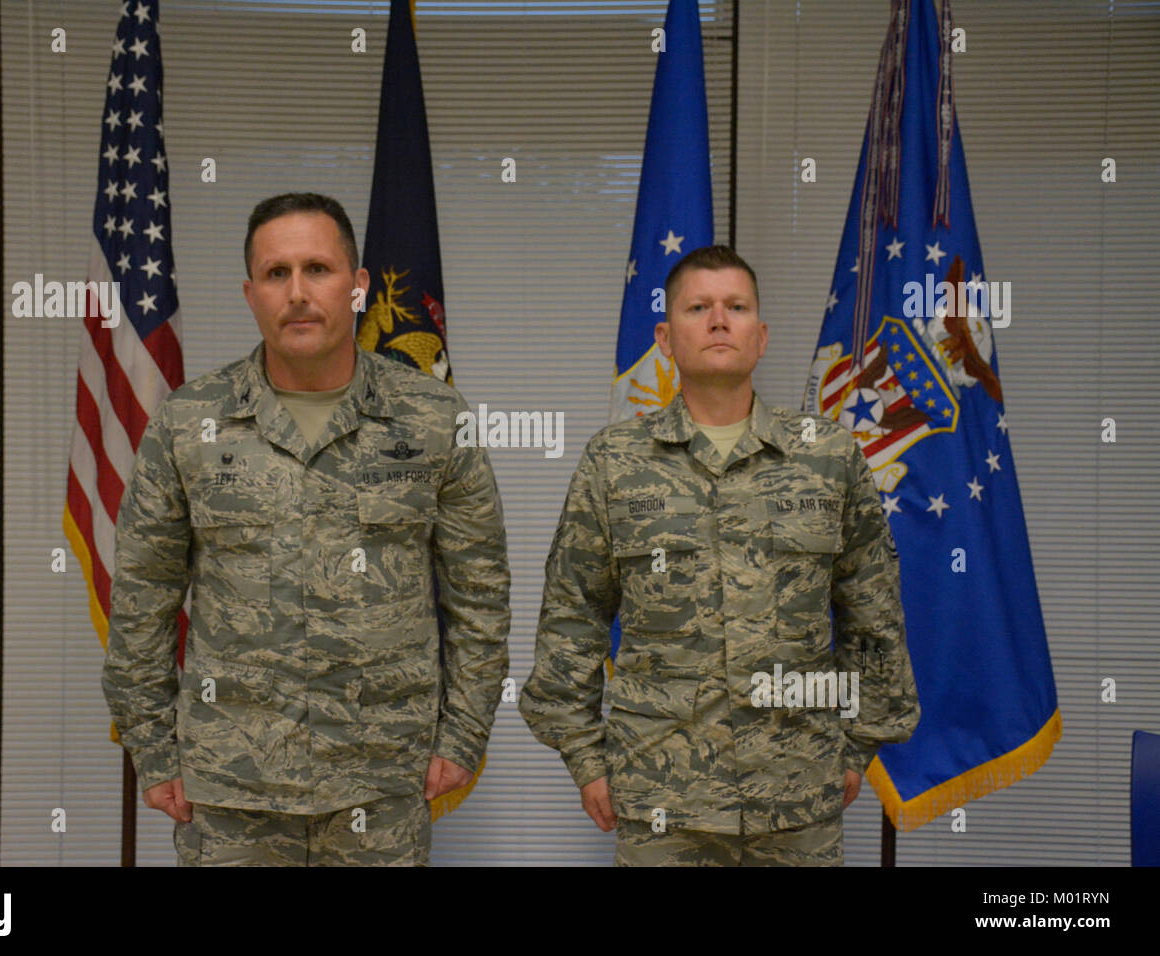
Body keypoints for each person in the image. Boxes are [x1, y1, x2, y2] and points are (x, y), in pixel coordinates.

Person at [102, 192, 511, 866]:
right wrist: (153, 750)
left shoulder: (435, 421)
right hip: (233, 790)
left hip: (380, 786)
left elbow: (479, 597)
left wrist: (462, 736)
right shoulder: (188, 423)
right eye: (276, 273)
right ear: (250, 293)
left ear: (357, 287)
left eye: (318, 269)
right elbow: (142, 600)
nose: (297, 292)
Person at [519, 244, 919, 866]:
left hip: (798, 796)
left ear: (760, 336)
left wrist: (856, 747)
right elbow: (572, 621)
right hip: (660, 800)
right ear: (666, 336)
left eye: (736, 307)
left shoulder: (827, 457)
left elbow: (874, 617)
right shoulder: (615, 461)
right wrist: (585, 758)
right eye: (697, 307)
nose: (717, 320)